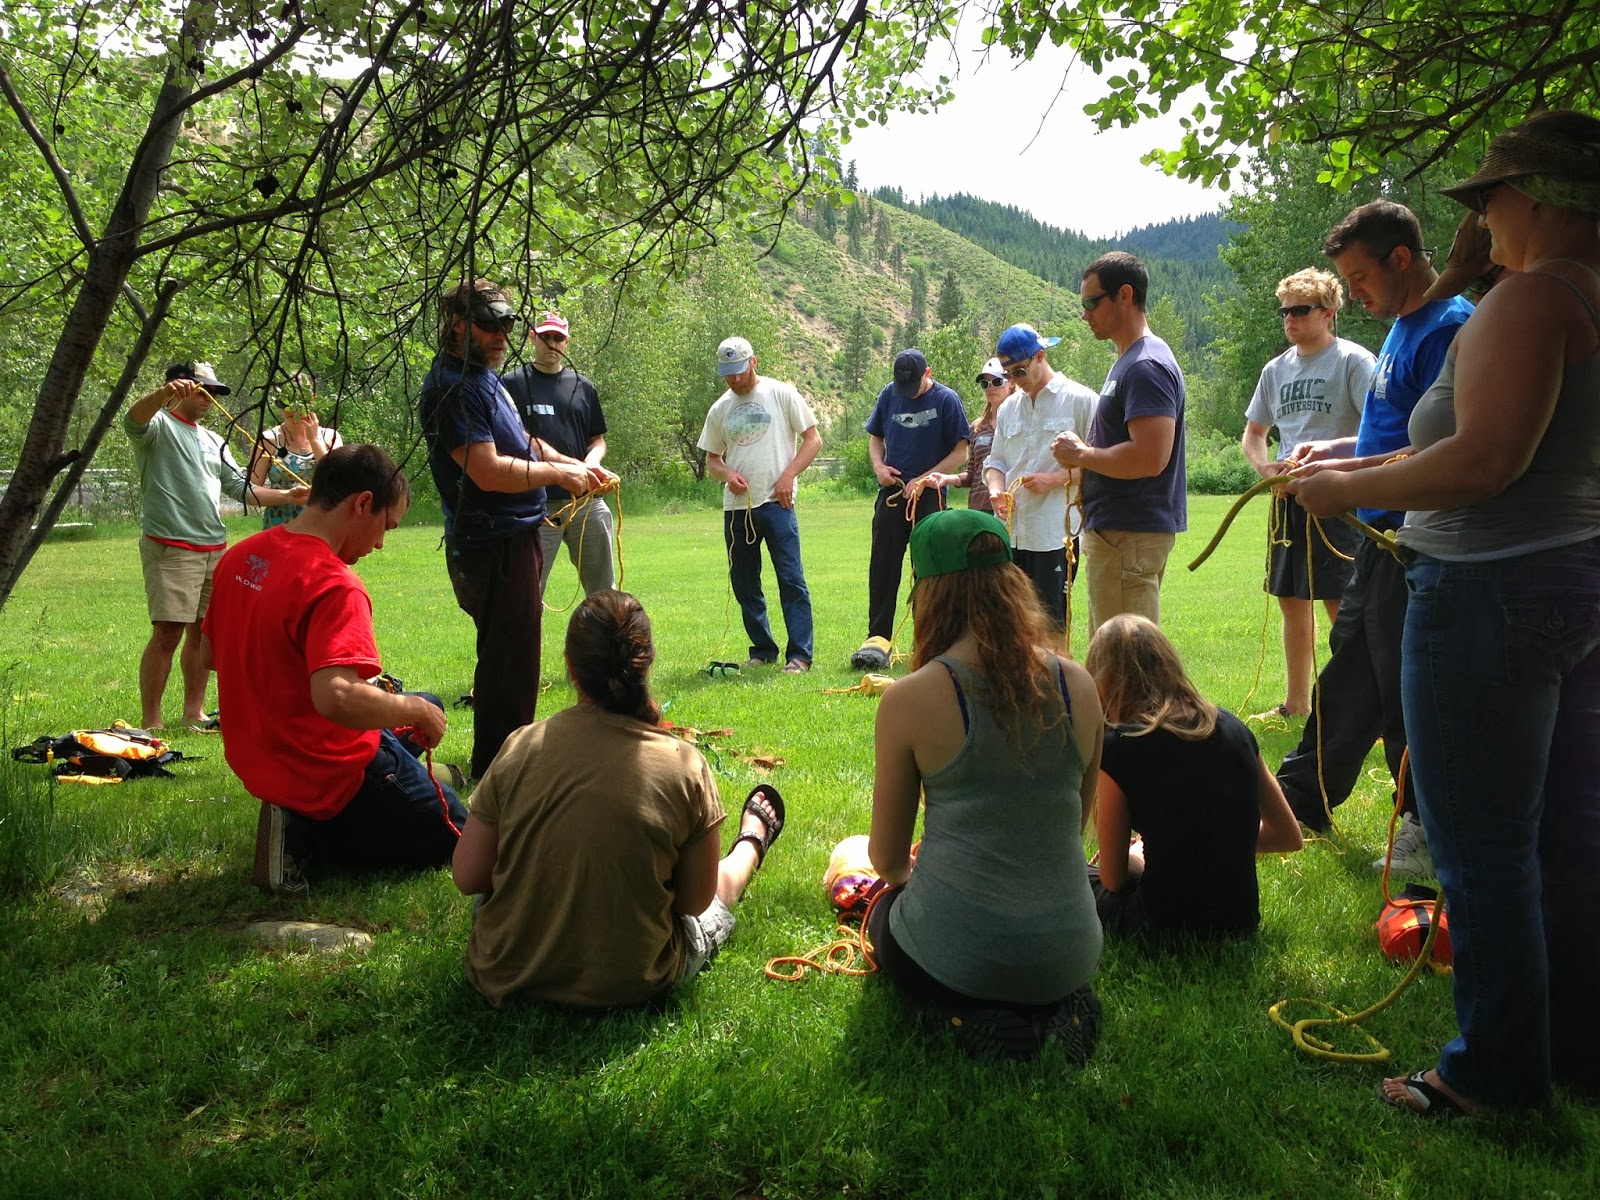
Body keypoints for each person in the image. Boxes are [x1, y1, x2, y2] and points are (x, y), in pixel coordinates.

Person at [1290, 110, 1600, 1116]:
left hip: (1484, 593)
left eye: (1491, 197)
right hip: (1566, 581)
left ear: (1542, 198)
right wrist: (1359, 468)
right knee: (1560, 827)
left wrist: (1346, 490)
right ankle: (1563, 1043)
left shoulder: (1529, 301)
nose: (1481, 217)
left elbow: (1481, 461)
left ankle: (1495, 1075)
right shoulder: (1578, 296)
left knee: (1478, 846)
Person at [452, 590, 785, 1008]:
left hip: (506, 968)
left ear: (571, 667)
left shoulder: (520, 746)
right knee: (721, 889)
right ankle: (751, 844)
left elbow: (468, 876)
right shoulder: (684, 765)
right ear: (645, 662)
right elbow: (694, 901)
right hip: (634, 979)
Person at [1273, 203, 1473, 877]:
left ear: (1401, 259)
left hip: (1420, 536)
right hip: (1383, 539)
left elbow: (1439, 452)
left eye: (1359, 276)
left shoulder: (1449, 328)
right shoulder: (1401, 327)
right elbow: (1389, 438)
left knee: (1403, 687)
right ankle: (1301, 795)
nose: (1351, 293)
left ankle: (1425, 822)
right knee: (1354, 666)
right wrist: (1332, 449)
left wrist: (1345, 482)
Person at [868, 508, 1105, 1059]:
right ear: (1014, 582)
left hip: (956, 955)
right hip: (1070, 952)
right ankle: (1052, 1006)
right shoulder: (1080, 685)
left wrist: (917, 885)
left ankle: (969, 1015)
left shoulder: (908, 699)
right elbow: (1076, 827)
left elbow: (886, 861)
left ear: (928, 593)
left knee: (884, 915)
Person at [202, 444, 467, 894]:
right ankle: (310, 832)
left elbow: (209, 655)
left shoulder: (241, 557)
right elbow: (337, 698)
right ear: (362, 503)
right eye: (386, 526)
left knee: (430, 703)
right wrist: (413, 713)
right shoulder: (334, 583)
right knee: (459, 831)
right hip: (327, 772)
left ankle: (312, 807)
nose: (381, 543)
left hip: (262, 752)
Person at [417, 278, 605, 779]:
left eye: (506, 323)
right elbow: (488, 470)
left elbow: (525, 442)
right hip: (490, 542)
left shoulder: (482, 376)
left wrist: (577, 466)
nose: (501, 334)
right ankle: (501, 770)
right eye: (488, 324)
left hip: (514, 535)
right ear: (457, 327)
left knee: (514, 656)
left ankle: (504, 764)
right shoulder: (450, 387)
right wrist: (562, 476)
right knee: (508, 663)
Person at [1083, 615, 1304, 941]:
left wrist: (1143, 854)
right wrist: (1208, 842)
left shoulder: (1118, 748)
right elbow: (1288, 836)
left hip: (1162, 925)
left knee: (1075, 876)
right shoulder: (1234, 728)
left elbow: (1114, 879)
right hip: (1240, 921)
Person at [123, 360, 307, 731]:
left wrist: (288, 494)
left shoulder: (212, 439)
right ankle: (151, 721)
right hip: (171, 545)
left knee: (202, 632)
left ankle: (194, 712)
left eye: (216, 392)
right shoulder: (158, 426)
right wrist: (162, 394)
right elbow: (133, 419)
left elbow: (242, 488)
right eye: (205, 389)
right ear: (182, 387)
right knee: (168, 632)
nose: (212, 398)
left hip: (214, 547)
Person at [1240, 269, 1375, 717]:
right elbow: (1254, 432)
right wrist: (1265, 467)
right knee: (1292, 601)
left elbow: (1381, 432)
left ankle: (1360, 708)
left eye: (1300, 310)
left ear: (1329, 313)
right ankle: (1296, 704)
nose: (1289, 319)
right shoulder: (1275, 370)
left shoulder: (1353, 361)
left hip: (1339, 498)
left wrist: (1333, 463)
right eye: (1285, 310)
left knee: (1343, 603)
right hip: (1287, 499)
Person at [1050, 252, 1187, 634]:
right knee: (1111, 659)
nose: (1085, 314)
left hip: (1129, 534)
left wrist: (1081, 454)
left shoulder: (1146, 365)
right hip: (1118, 534)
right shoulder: (1130, 360)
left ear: (1124, 295)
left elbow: (1149, 457)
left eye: (1092, 302)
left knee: (1128, 666)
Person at [697, 336, 821, 672]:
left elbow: (813, 439)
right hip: (737, 509)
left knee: (790, 579)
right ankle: (763, 650)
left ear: (754, 362)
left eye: (738, 371)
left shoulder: (780, 393)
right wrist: (727, 475)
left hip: (777, 503)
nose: (734, 379)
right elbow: (712, 459)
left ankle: (799, 655)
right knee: (745, 582)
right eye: (727, 374)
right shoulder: (720, 408)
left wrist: (788, 477)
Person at [851, 349, 971, 671]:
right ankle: (877, 641)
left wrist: (925, 478)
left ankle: (930, 640)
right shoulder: (890, 394)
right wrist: (878, 466)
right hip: (892, 492)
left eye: (914, 385)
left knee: (929, 570)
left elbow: (961, 452)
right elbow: (876, 437)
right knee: (883, 566)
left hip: (930, 495)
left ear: (928, 373)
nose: (907, 391)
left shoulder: (947, 400)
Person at [985, 323, 1097, 639]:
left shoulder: (1082, 400)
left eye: (1019, 372)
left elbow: (1103, 464)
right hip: (1012, 532)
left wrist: (1054, 479)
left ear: (1040, 357)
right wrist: (996, 490)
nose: (1015, 382)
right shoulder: (1008, 408)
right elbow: (997, 463)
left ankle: (1054, 687)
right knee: (1011, 624)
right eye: (1008, 375)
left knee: (1051, 625)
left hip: (1054, 534)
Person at [501, 311, 618, 598]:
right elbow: (511, 440)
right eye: (545, 337)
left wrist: (591, 463)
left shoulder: (582, 386)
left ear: (567, 342)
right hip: (536, 506)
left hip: (586, 502)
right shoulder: (511, 385)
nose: (551, 343)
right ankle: (526, 645)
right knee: (527, 596)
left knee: (605, 594)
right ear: (532, 337)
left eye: (558, 338)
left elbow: (597, 440)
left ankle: (606, 643)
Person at [250, 371, 342, 530]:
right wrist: (287, 496)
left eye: (296, 401)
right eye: (283, 402)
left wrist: (314, 440)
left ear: (311, 399)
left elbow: (338, 482)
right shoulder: (268, 440)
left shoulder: (331, 437)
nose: (290, 409)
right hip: (281, 528)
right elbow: (250, 493)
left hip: (322, 529)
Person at [926, 358, 1010, 513]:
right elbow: (973, 474)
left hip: (1009, 505)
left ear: (1011, 383)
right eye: (985, 384)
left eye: (997, 382)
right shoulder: (977, 427)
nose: (990, 387)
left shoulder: (1020, 423)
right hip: (979, 508)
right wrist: (947, 479)